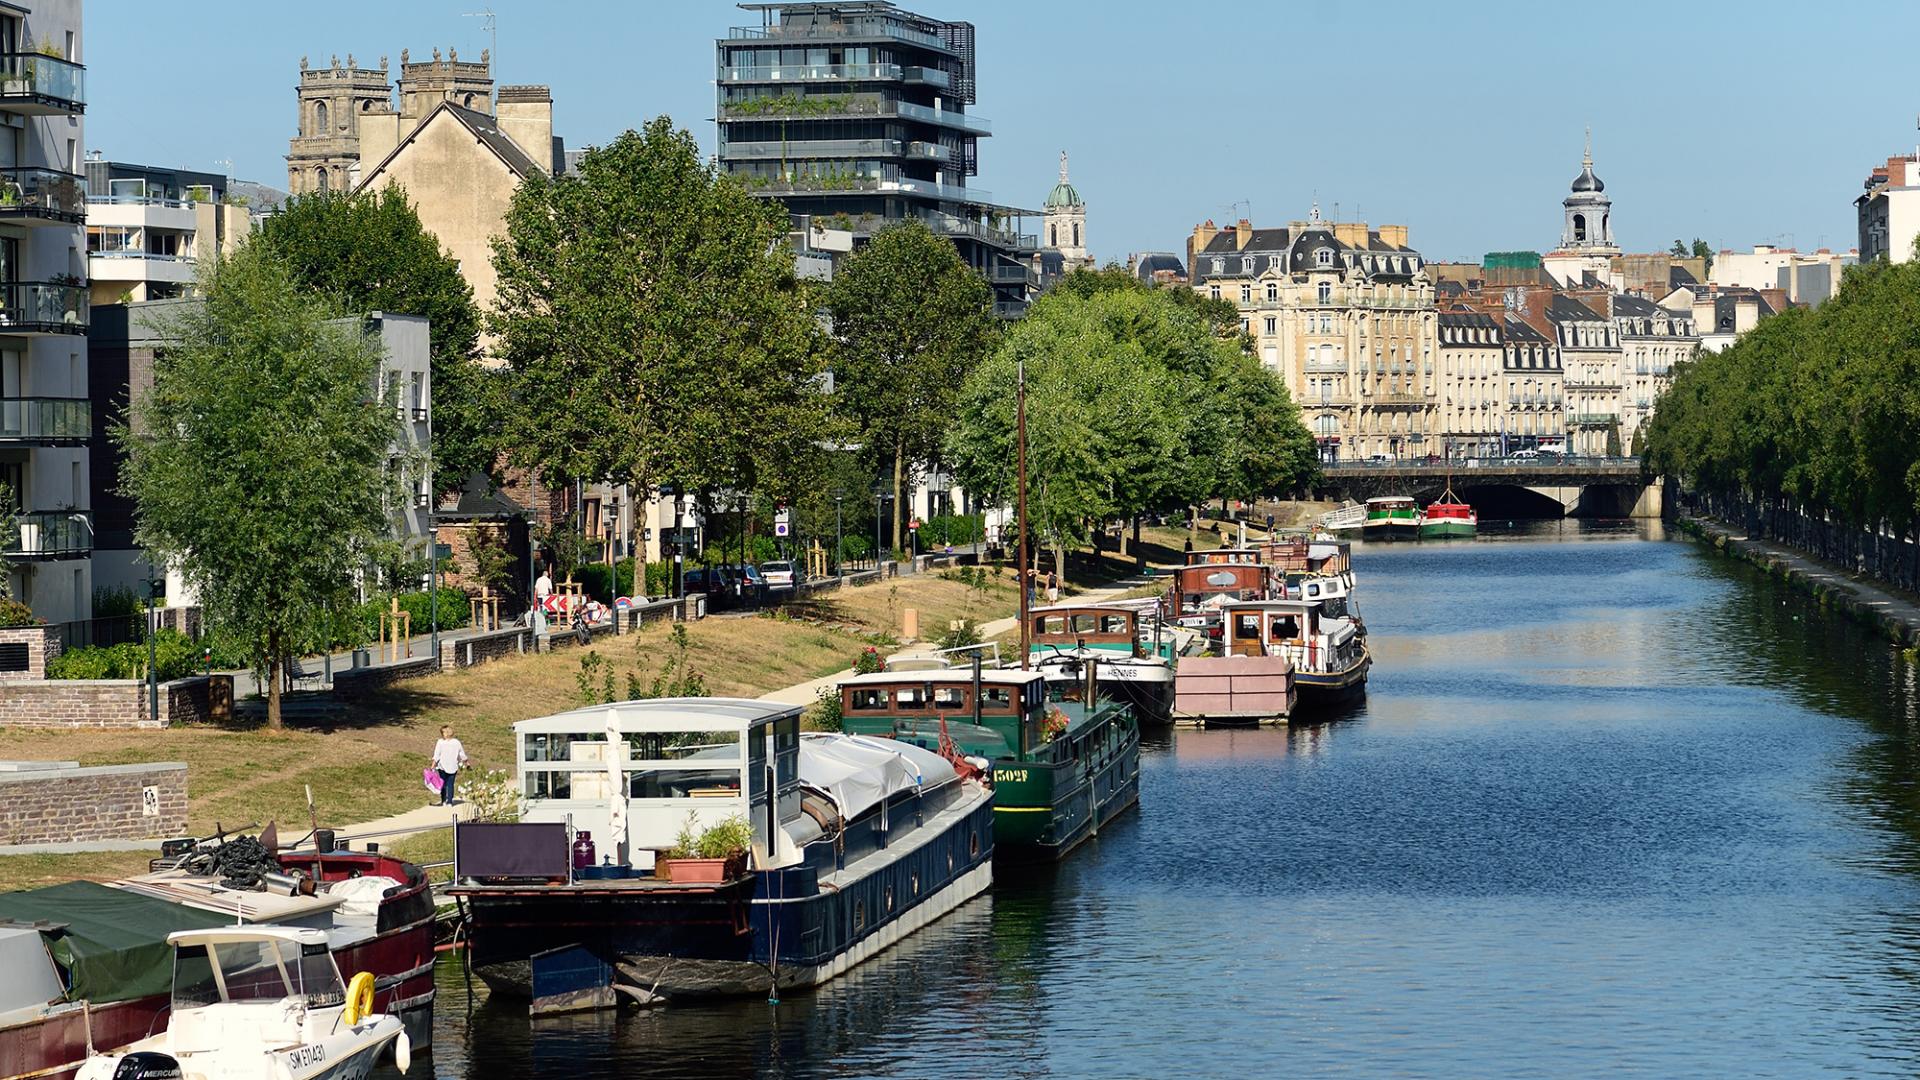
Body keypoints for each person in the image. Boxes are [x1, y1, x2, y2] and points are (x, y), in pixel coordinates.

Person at [430, 724, 469, 806]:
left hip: (443, 766)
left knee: (443, 784)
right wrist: (467, 763)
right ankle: (449, 802)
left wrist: (433, 765)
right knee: (450, 784)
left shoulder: (440, 742)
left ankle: (444, 800)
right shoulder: (456, 742)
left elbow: (436, 755)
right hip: (452, 766)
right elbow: (462, 754)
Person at [532, 566, 552, 636]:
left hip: (539, 595)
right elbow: (550, 588)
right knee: (546, 609)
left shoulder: (538, 579)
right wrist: (552, 595)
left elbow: (536, 589)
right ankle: (547, 621)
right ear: (547, 575)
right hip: (546, 596)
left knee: (540, 608)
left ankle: (541, 620)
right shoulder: (548, 580)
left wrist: (535, 596)